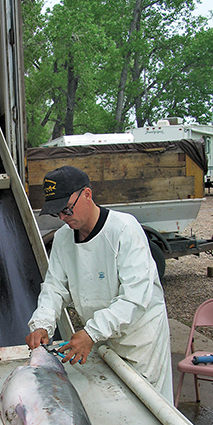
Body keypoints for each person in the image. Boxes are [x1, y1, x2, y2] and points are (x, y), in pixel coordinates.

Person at [25, 165, 173, 400]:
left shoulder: (124, 229)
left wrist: (91, 333)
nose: (63, 217)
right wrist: (42, 324)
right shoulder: (63, 238)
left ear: (87, 194)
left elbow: (135, 298)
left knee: (148, 406)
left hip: (139, 341)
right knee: (112, 404)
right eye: (57, 213)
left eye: (66, 209)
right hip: (103, 339)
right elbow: (54, 288)